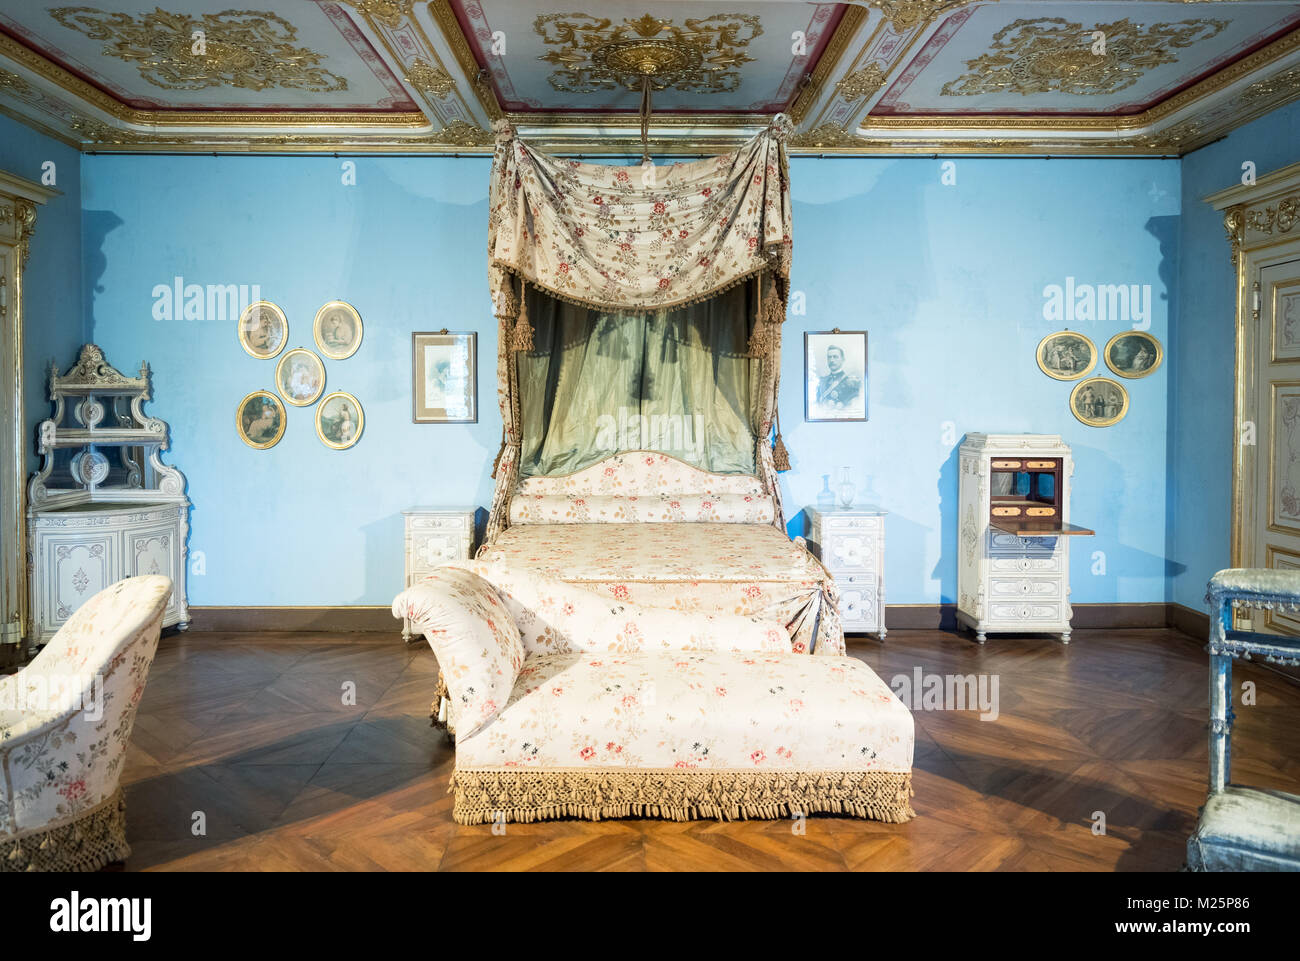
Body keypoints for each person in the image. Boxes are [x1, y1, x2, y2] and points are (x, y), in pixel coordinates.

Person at [814, 344, 861, 413]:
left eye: (835, 357)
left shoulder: (851, 383)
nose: (831, 360)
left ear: (843, 359)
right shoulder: (822, 381)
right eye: (829, 357)